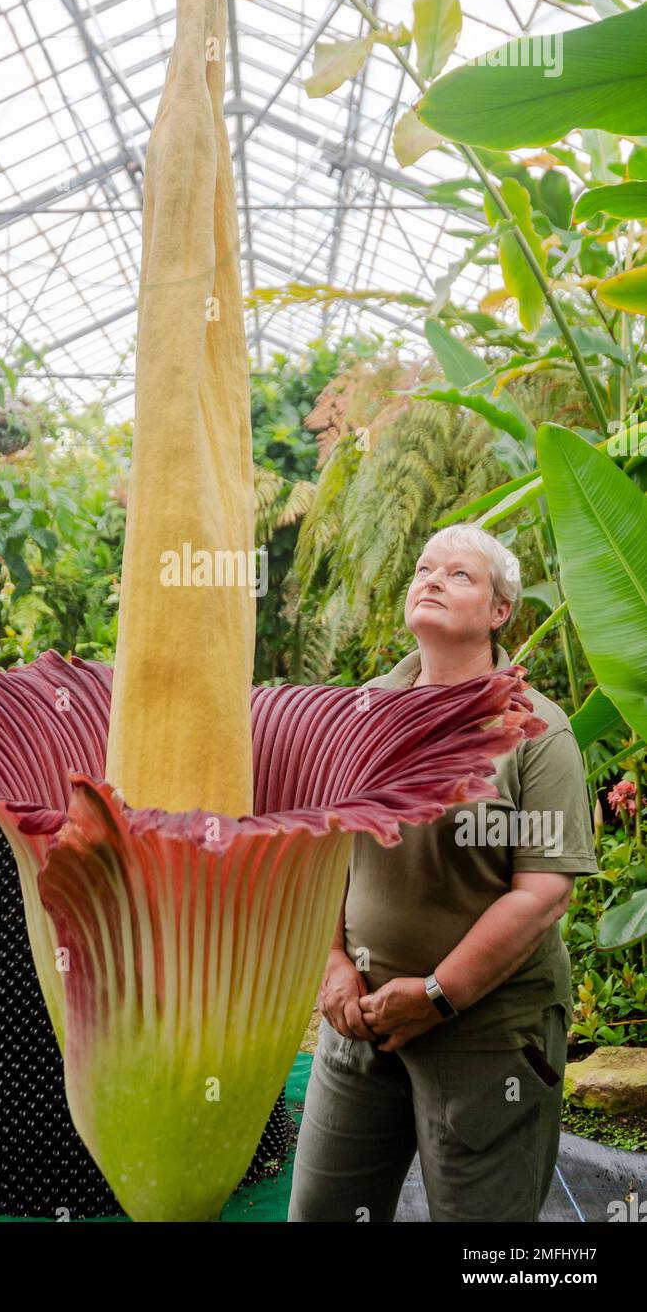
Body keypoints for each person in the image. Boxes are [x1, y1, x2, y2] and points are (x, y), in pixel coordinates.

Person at [288, 522, 599, 1223]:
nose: (431, 578)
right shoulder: (361, 712)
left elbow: (543, 892)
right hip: (358, 1021)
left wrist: (437, 993)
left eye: (460, 575)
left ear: (499, 613)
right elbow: (321, 849)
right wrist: (332, 964)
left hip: (487, 1035)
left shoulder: (537, 731)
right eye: (424, 568)